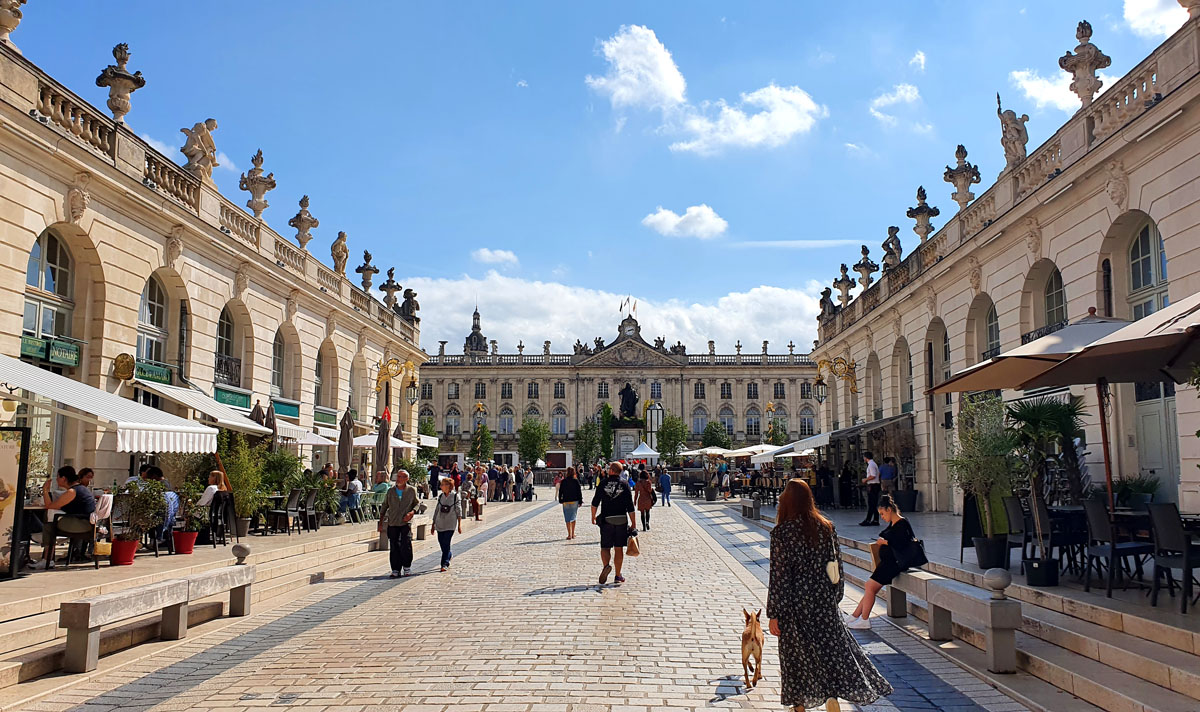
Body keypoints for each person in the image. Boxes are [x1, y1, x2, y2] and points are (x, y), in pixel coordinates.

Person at [768, 479, 892, 710]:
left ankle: (799, 705)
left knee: (796, 657)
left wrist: (774, 613)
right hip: (823, 600)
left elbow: (779, 577)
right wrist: (835, 596)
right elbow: (836, 565)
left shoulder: (781, 533)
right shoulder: (826, 527)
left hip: (796, 605)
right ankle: (831, 696)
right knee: (830, 652)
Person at [847, 494, 923, 630]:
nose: (882, 517)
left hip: (894, 564)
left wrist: (885, 541)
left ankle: (864, 620)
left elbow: (902, 543)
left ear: (889, 509)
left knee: (870, 586)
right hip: (888, 563)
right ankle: (855, 616)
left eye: (882, 513)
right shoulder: (893, 524)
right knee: (871, 588)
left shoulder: (902, 523)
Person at [35, 466, 96, 569]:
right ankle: (47, 558)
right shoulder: (81, 489)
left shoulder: (72, 492)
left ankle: (47, 559)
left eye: (58, 477)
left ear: (63, 478)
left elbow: (50, 506)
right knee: (51, 518)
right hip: (86, 523)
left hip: (81, 525)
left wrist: (45, 490)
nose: (57, 479)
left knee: (49, 524)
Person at [590, 462, 636, 585]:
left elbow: (595, 502)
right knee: (618, 547)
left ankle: (606, 566)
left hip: (607, 519)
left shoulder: (603, 483)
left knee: (605, 546)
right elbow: (630, 506)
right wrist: (634, 523)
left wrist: (593, 516)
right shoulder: (625, 484)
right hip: (621, 519)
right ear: (620, 472)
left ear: (610, 470)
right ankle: (618, 575)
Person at [378, 469, 420, 577]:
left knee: (406, 544)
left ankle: (407, 567)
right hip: (392, 522)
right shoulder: (391, 491)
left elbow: (417, 503)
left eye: (402, 477)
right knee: (394, 546)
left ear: (407, 479)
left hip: (405, 522)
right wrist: (380, 521)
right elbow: (384, 505)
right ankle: (395, 569)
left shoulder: (411, 490)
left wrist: (412, 512)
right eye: (398, 476)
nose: (399, 479)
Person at [431, 476, 463, 571]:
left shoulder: (455, 496)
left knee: (446, 542)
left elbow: (459, 510)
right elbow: (437, 510)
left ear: (448, 486)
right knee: (441, 542)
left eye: (443, 485)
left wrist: (459, 525)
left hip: (450, 523)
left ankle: (444, 564)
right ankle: (449, 555)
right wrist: (433, 524)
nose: (441, 486)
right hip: (440, 523)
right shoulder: (441, 496)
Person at [558, 466, 583, 540]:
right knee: (573, 517)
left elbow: (560, 491)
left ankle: (569, 534)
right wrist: (580, 501)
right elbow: (579, 491)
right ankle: (573, 533)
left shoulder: (563, 481)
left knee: (567, 518)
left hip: (566, 501)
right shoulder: (576, 481)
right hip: (574, 500)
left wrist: (560, 500)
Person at [859, 452, 881, 526]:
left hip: (873, 485)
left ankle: (868, 520)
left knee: (871, 503)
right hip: (874, 485)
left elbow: (873, 475)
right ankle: (875, 519)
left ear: (866, 457)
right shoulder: (873, 464)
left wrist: (865, 479)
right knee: (873, 503)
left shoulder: (871, 465)